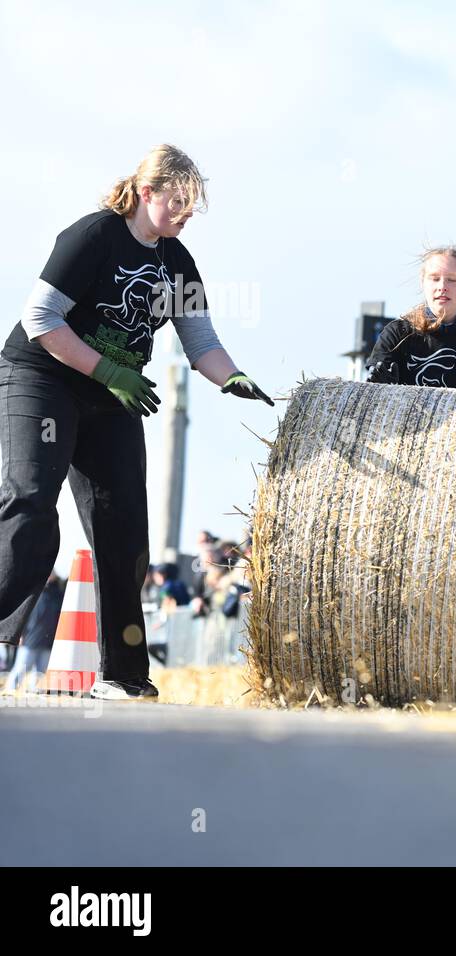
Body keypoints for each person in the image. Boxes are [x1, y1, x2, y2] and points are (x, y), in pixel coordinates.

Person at [0, 145, 273, 700]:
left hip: (111, 397)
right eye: (175, 203)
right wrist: (109, 371)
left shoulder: (179, 263)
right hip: (44, 376)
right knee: (30, 502)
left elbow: (201, 341)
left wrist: (233, 378)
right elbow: (40, 318)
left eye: (190, 210)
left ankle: (124, 676)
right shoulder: (94, 236)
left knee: (124, 528)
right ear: (146, 192)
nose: (182, 217)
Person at [366, 246, 456, 390]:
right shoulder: (396, 333)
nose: (442, 286)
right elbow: (373, 393)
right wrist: (380, 385)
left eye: (452, 280)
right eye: (435, 278)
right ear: (423, 282)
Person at [4, 572, 63, 692]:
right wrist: (19, 634)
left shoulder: (57, 594)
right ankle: (10, 690)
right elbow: (22, 616)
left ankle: (35, 691)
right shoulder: (32, 592)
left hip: (48, 641)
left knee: (41, 671)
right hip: (29, 639)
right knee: (21, 668)